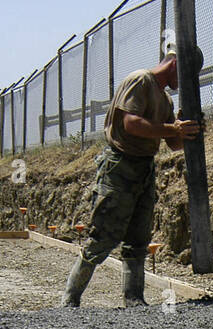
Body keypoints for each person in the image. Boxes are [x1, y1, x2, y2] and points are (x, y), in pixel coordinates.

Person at [60, 51, 202, 307]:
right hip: (119, 167)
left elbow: (172, 144)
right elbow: (131, 123)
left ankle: (134, 299)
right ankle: (70, 299)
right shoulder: (140, 80)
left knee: (138, 240)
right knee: (102, 237)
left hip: (144, 169)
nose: (185, 81)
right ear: (175, 63)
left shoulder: (164, 98)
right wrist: (172, 128)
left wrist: (186, 128)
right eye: (186, 73)